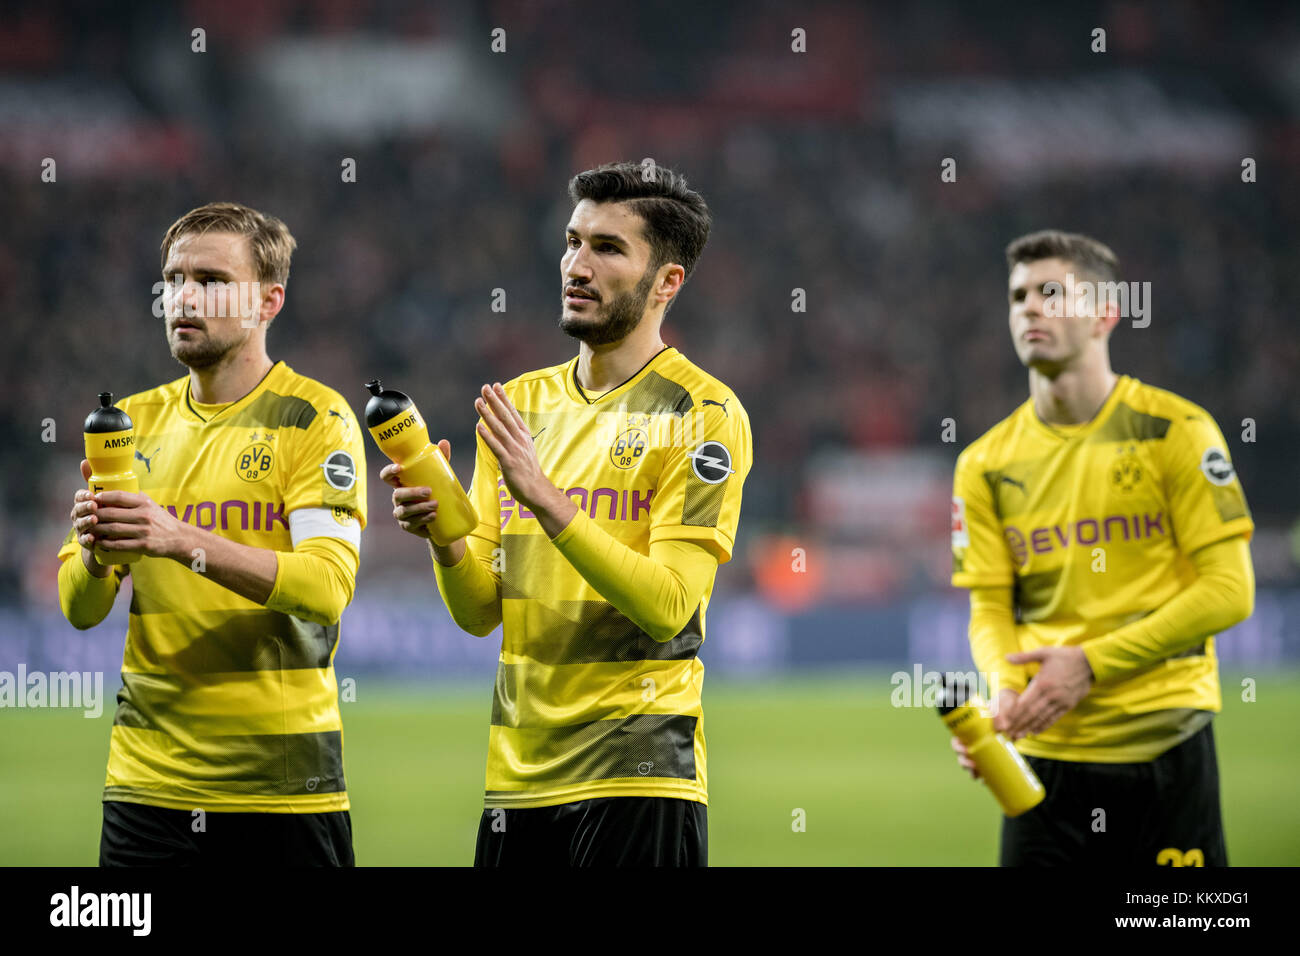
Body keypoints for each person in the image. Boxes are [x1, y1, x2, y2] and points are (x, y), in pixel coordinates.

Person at [385, 161, 751, 866]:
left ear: (666, 283)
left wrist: (547, 500)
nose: (577, 265)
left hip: (638, 775)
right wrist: (443, 537)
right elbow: (480, 612)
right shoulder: (520, 406)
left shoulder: (701, 414)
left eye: (608, 248)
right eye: (572, 241)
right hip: (518, 778)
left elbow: (671, 605)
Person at [58, 202, 367, 866]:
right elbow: (80, 611)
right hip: (147, 788)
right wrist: (94, 553)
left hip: (283, 791)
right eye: (173, 280)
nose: (184, 297)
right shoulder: (127, 424)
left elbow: (327, 587)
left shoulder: (315, 419)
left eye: (211, 280)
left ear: (269, 300)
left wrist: (179, 541)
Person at [948, 230, 1255, 866]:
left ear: (1106, 314)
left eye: (1052, 292)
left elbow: (1230, 590)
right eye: (1019, 296)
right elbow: (989, 607)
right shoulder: (983, 463)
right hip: (1043, 772)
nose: (1030, 307)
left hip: (1164, 753)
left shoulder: (1178, 432)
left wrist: (1090, 663)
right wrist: (1005, 691)